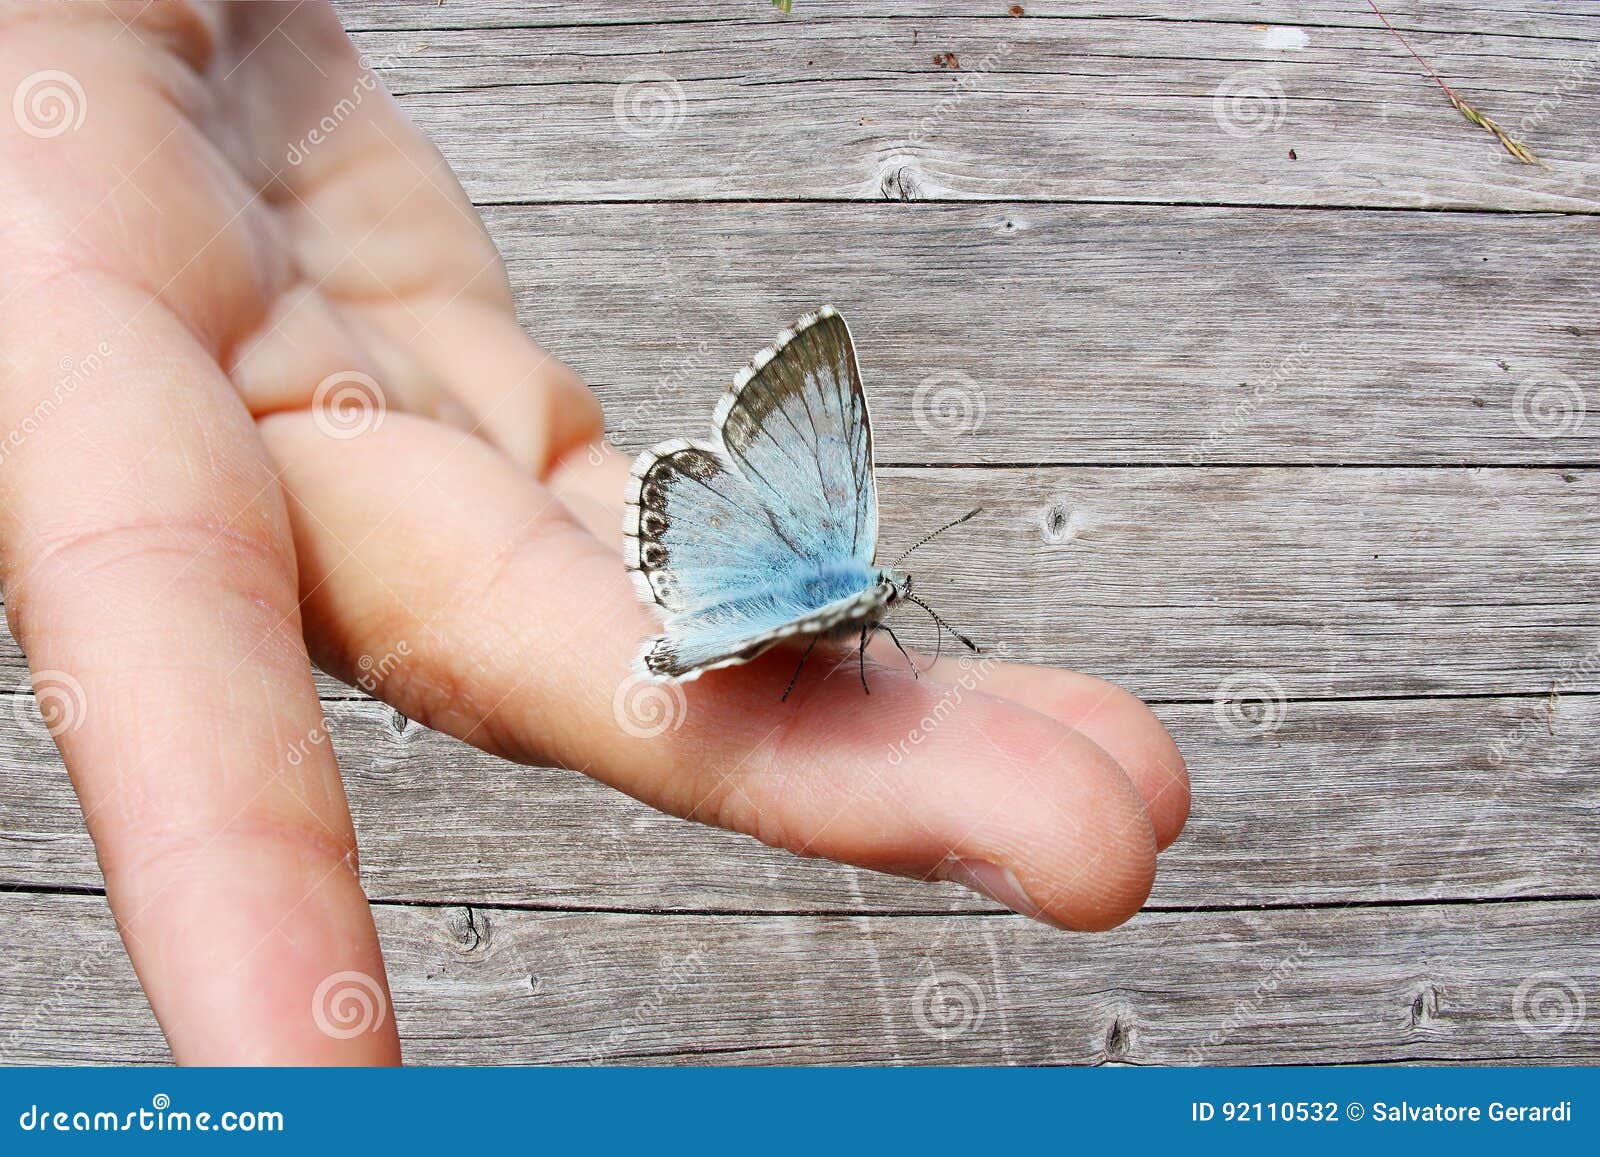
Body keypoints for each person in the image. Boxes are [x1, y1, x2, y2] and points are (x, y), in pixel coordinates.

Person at [0, 1, 1188, 1064]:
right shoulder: (860, 594)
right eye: (886, 603)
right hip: (750, 595)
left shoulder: (859, 581)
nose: (890, 605)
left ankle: (709, 620)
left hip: (732, 567)